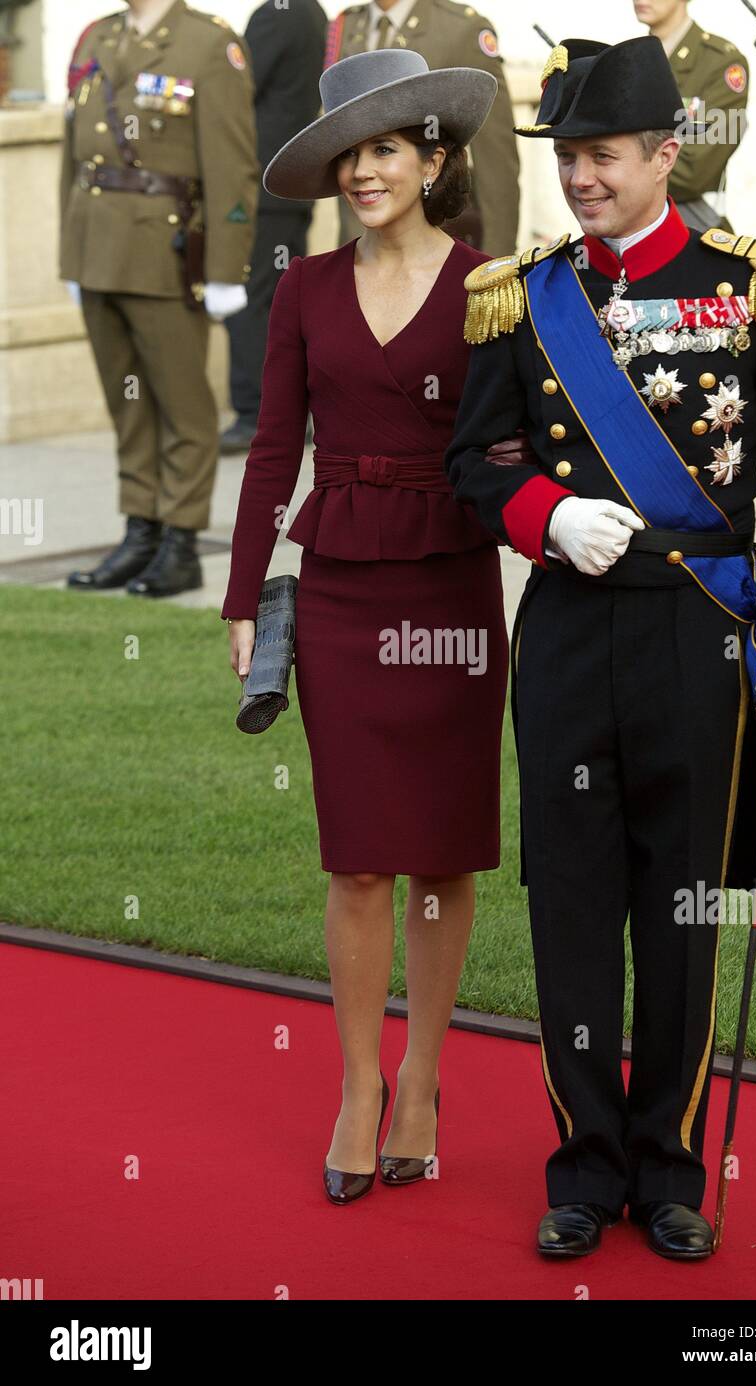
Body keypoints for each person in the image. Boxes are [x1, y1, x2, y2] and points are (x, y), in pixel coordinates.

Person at [446, 36, 756, 1260]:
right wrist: (544, 514)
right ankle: (584, 1163)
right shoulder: (526, 292)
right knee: (570, 904)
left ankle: (670, 1166)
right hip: (570, 628)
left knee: (685, 906)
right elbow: (476, 460)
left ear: (667, 155)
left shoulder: (753, 284)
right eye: (567, 157)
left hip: (700, 630)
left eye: (603, 157)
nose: (579, 179)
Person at [222, 49, 512, 1204]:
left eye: (387, 148)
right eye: (350, 154)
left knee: (441, 851)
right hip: (339, 585)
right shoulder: (302, 290)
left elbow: (517, 452)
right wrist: (244, 596)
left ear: (433, 158)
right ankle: (356, 1085)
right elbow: (270, 451)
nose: (365, 173)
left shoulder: (493, 285)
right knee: (355, 861)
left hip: (451, 590)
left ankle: (426, 1082)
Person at [60, 0, 259, 597]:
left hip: (164, 254)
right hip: (95, 247)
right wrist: (68, 251)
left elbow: (233, 165)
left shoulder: (207, 44)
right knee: (127, 403)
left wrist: (227, 267)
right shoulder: (95, 37)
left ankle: (180, 540)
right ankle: (139, 530)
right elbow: (71, 157)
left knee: (182, 406)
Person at [325, 0, 519, 256]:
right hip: (359, 254)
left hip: (434, 255)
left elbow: (497, 164)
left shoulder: (461, 29)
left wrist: (499, 267)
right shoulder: (345, 25)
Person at [220, 0, 328, 455]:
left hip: (260, 186)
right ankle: (286, 409)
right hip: (291, 180)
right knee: (281, 302)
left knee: (249, 298)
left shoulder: (275, 14)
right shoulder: (314, 12)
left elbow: (235, 89)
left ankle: (254, 411)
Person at [634, 0, 748, 233]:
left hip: (693, 229)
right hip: (631, 231)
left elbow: (695, 169)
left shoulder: (721, 62)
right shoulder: (628, 61)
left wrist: (620, 168)